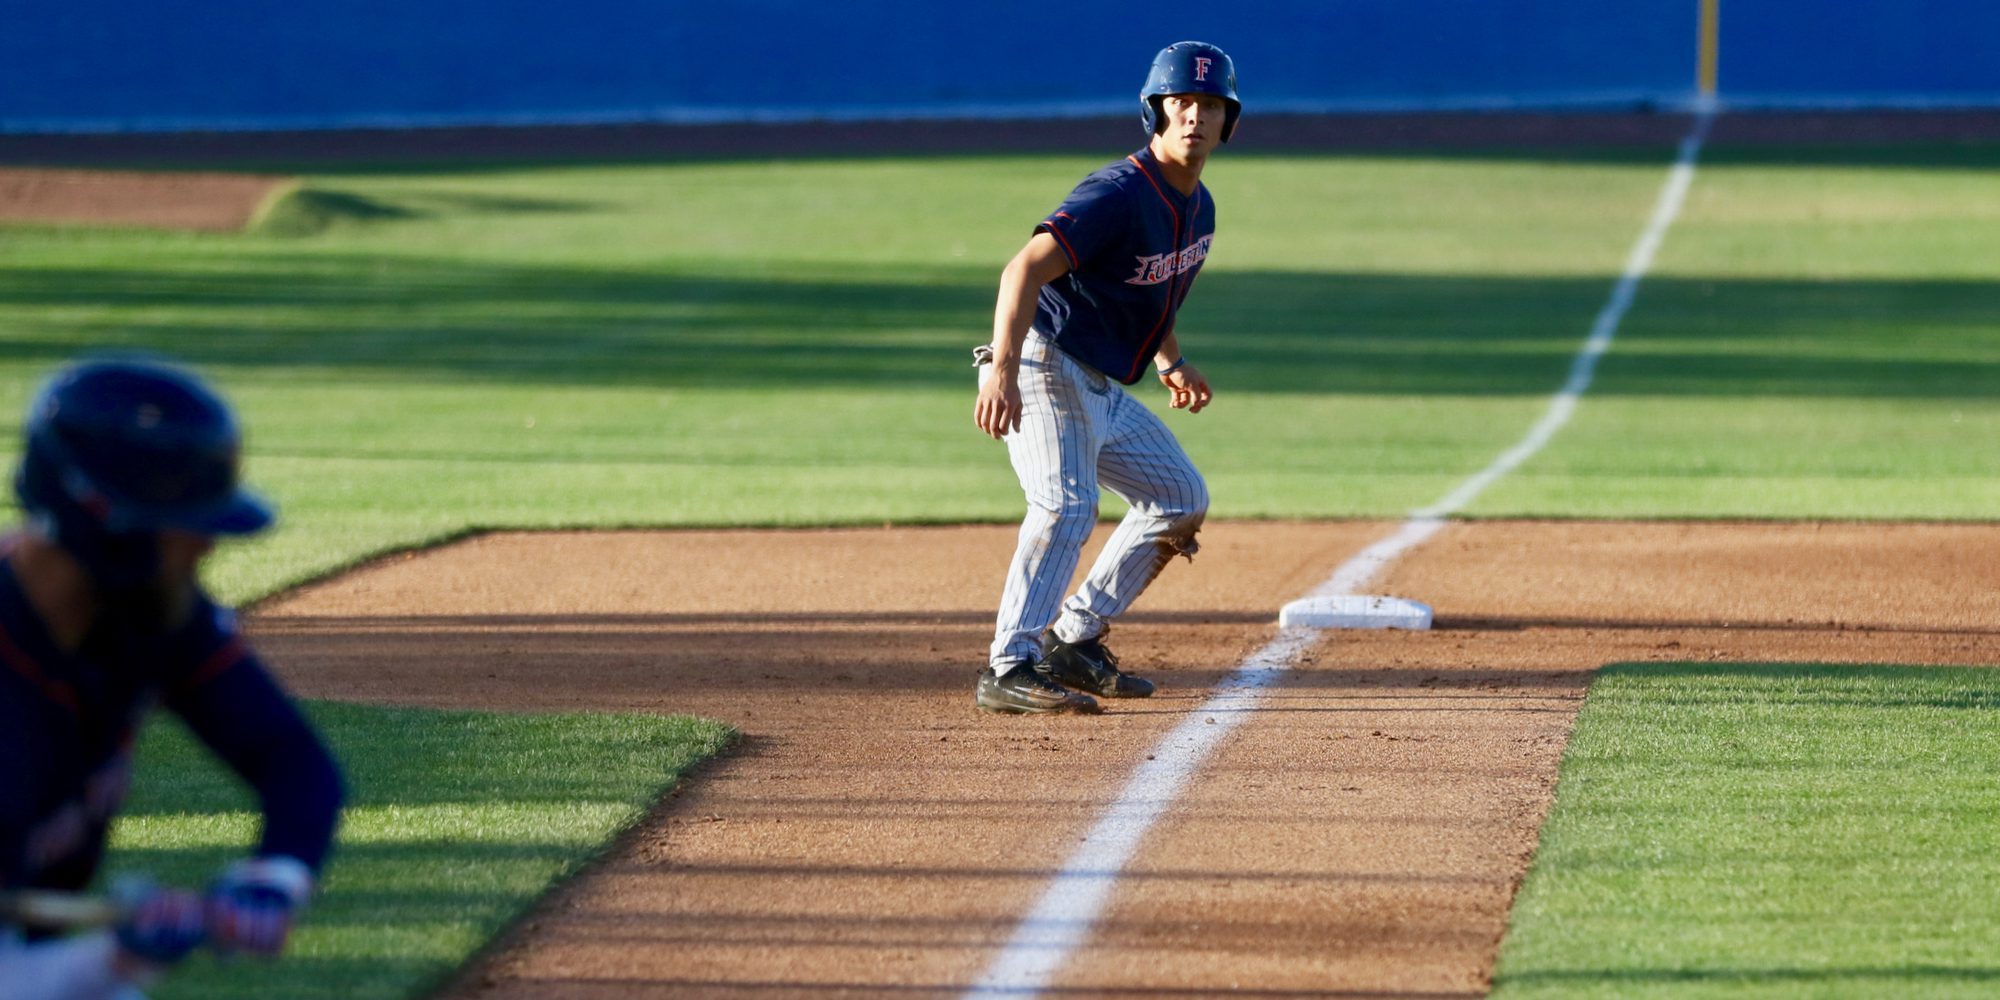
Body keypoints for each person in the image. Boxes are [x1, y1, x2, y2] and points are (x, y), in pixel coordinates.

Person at [0, 358, 345, 999]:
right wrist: (118, 958)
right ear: (106, 528)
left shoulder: (147, 614)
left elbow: (290, 759)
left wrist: (272, 877)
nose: (205, 547)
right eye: (183, 526)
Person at [973, 41, 1240, 714]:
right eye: (1181, 102)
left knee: (1179, 497)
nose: (1194, 117)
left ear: (1227, 120)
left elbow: (1151, 295)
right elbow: (1022, 270)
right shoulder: (1117, 193)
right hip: (1042, 364)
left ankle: (1074, 638)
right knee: (1066, 504)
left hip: (1097, 386)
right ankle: (1010, 664)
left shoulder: (1198, 208)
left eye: (1210, 105)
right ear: (1156, 111)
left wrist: (1170, 359)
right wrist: (999, 368)